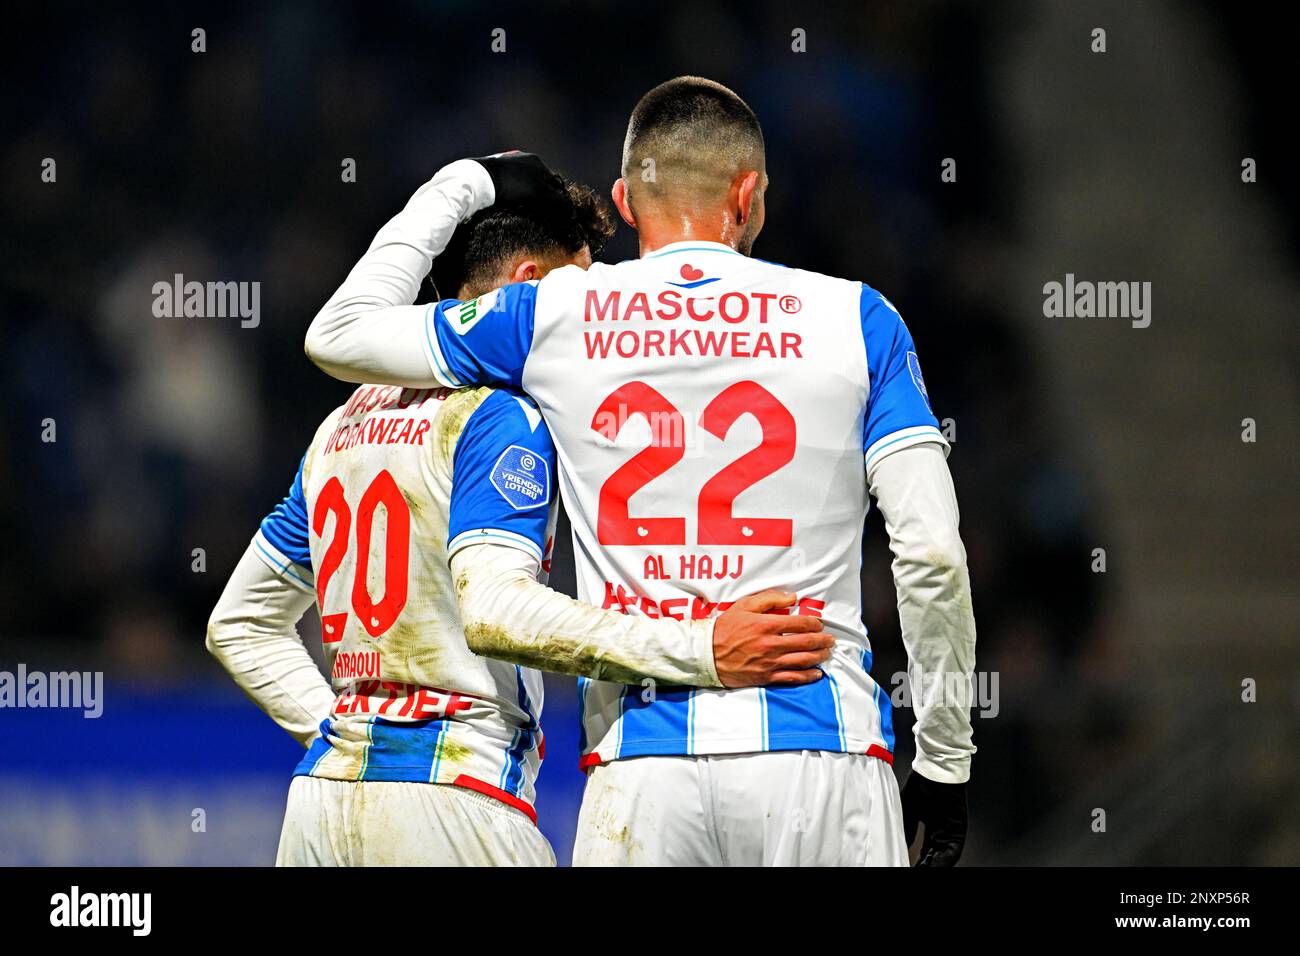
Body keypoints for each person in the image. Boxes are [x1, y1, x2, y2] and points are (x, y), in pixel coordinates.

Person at [304, 77, 979, 867]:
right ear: (749, 192)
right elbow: (932, 554)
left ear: (624, 202)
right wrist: (943, 759)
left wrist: (465, 184)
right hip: (822, 752)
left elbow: (339, 334)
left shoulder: (555, 314)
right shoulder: (860, 319)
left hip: (641, 769)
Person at [208, 157, 832, 866]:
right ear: (530, 284)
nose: (595, 309)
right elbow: (496, 613)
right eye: (586, 280)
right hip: (454, 804)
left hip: (320, 807)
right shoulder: (502, 417)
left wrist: (349, 736)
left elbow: (240, 626)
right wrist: (702, 648)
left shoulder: (340, 427)